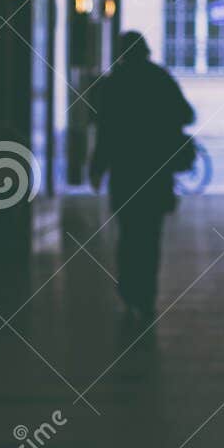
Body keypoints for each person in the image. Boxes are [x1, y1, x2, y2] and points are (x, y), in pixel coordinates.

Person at [89, 31, 194, 325]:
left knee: (128, 231)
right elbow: (186, 115)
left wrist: (97, 168)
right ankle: (146, 294)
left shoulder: (113, 84)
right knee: (150, 234)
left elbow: (105, 131)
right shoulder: (161, 79)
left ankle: (127, 287)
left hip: (125, 169)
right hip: (156, 169)